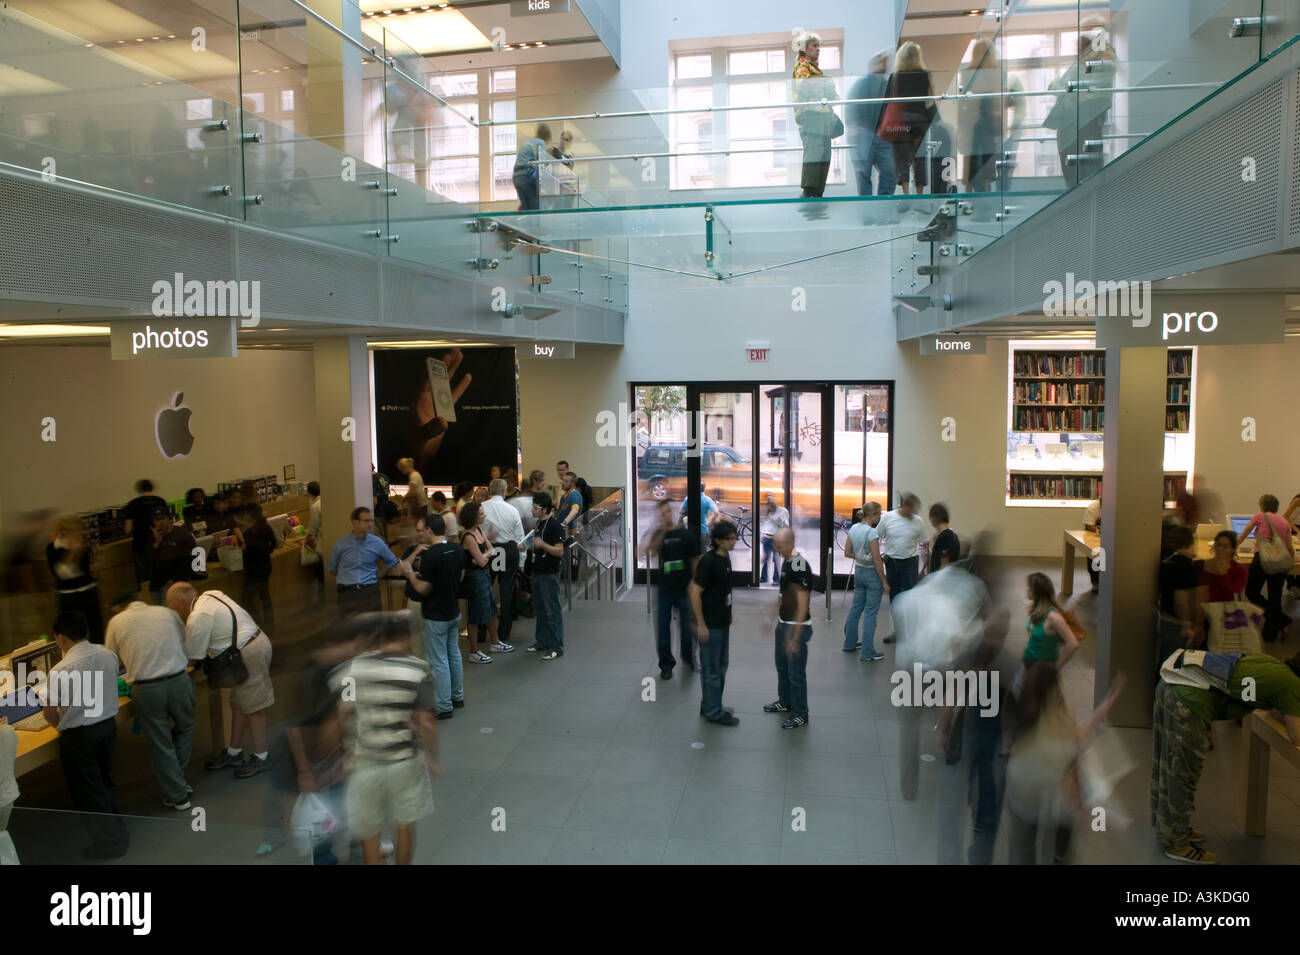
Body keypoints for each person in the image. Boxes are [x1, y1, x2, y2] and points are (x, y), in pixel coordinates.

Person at [1152, 652, 1300, 863]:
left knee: (1167, 764)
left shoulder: (1276, 667)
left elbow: (1279, 708)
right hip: (1189, 700)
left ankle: (1171, 828)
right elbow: (1297, 736)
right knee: (1183, 773)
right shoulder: (1293, 685)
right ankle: (1177, 844)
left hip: (1172, 683)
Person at [330, 613, 440, 865]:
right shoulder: (417, 669)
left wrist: (341, 754)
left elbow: (342, 714)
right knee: (404, 825)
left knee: (370, 833)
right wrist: (432, 757)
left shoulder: (355, 667)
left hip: (364, 761)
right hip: (404, 761)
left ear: (380, 637)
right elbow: (425, 722)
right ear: (408, 636)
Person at [41, 611, 129, 859]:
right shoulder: (108, 655)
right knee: (105, 780)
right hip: (107, 728)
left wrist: (61, 727)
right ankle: (117, 829)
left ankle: (110, 844)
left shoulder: (60, 670)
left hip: (79, 736)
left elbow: (48, 711)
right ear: (87, 632)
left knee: (88, 792)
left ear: (60, 639)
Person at [169, 583, 275, 778]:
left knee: (253, 707)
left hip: (247, 654)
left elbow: (193, 655)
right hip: (254, 645)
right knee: (237, 703)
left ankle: (262, 756)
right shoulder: (211, 595)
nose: (173, 611)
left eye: (171, 606)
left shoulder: (198, 616)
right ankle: (234, 752)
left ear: (179, 602)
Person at [103, 592, 194, 811]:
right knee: (186, 728)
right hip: (180, 680)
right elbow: (184, 639)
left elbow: (109, 659)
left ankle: (178, 795)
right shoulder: (167, 612)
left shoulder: (116, 621)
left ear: (117, 608)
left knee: (161, 743)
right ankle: (177, 781)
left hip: (147, 689)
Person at [396, 514, 466, 718]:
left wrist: (410, 573)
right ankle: (457, 696)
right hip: (453, 610)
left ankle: (443, 705)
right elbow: (460, 577)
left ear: (428, 530)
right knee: (453, 654)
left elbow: (423, 589)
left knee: (438, 661)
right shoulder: (457, 550)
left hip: (435, 614)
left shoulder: (431, 555)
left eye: (422, 530)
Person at [1046, 15, 1116, 188]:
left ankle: (1090, 198)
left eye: (1087, 31)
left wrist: (1063, 85)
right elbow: (1063, 84)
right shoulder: (1085, 57)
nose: (1082, 35)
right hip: (1075, 115)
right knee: (1075, 157)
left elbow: (1097, 75)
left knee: (1087, 157)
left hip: (1087, 111)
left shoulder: (1102, 54)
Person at [957, 37, 1022, 196]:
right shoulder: (999, 73)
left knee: (971, 163)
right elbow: (1000, 102)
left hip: (970, 125)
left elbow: (963, 104)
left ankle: (971, 197)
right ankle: (987, 197)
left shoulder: (967, 74)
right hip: (994, 125)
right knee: (988, 163)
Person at [689, 521, 738, 725]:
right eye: (730, 539)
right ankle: (713, 711)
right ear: (718, 540)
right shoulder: (709, 562)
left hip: (722, 622)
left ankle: (711, 704)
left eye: (735, 537)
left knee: (720, 667)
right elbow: (694, 592)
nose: (734, 541)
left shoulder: (725, 559)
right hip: (711, 625)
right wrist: (701, 624)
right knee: (712, 669)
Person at [645, 499, 700, 680]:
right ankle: (666, 664)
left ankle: (688, 657)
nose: (666, 515)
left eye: (668, 511)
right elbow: (649, 551)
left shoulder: (686, 534)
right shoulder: (658, 535)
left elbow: (695, 562)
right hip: (664, 591)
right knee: (662, 630)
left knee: (686, 628)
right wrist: (659, 531)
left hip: (684, 590)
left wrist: (697, 587)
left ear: (674, 512)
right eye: (662, 512)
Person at [765, 528, 813, 728]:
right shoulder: (787, 562)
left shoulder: (799, 566)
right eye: (775, 546)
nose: (776, 550)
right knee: (782, 667)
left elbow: (802, 606)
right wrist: (772, 618)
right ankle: (785, 701)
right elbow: (783, 595)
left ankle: (801, 713)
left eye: (780, 546)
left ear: (791, 542)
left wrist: (795, 637)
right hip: (783, 624)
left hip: (796, 627)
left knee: (796, 673)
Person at [791, 30, 840, 200]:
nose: (818, 49)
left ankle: (816, 193)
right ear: (805, 49)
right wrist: (825, 86)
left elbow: (833, 95)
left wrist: (826, 87)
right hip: (811, 115)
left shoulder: (816, 71)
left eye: (819, 46)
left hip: (823, 117)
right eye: (814, 46)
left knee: (824, 154)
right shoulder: (802, 67)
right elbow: (805, 87)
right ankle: (809, 193)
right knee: (815, 152)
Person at [1239, 494, 1295, 642]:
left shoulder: (1259, 516)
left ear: (1262, 506)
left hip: (1262, 559)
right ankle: (1271, 634)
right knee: (1275, 598)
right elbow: (1289, 547)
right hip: (1280, 563)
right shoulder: (1284, 522)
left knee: (1251, 592)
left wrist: (1233, 548)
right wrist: (1291, 561)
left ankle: (1283, 621)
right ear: (1276, 507)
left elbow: (1244, 534)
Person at [459, 501, 510, 662]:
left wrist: (484, 556)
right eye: (481, 514)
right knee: (475, 614)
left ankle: (495, 642)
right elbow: (482, 560)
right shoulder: (468, 536)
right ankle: (473, 651)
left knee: (491, 609)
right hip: (475, 578)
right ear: (473, 517)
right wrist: (484, 556)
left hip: (484, 575)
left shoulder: (478, 531)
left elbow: (491, 550)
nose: (484, 516)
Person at [884, 42, 934, 201]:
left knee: (901, 157)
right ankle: (919, 195)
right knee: (919, 158)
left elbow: (887, 100)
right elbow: (930, 99)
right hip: (920, 121)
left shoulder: (896, 76)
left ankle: (906, 193)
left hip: (901, 122)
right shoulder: (925, 74)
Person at [327, 507, 399, 617]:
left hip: (370, 590)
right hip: (347, 592)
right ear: (355, 523)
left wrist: (379, 575)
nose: (370, 524)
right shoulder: (340, 544)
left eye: (371, 521)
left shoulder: (377, 542)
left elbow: (392, 561)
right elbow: (332, 568)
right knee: (350, 627)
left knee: (372, 626)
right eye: (366, 521)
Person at [848, 50, 896, 204]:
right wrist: (854, 129)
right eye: (881, 62)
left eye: (886, 62)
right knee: (864, 175)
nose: (885, 65)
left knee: (889, 174)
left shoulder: (887, 85)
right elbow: (852, 109)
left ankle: (882, 209)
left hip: (884, 135)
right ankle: (868, 212)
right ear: (874, 65)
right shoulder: (862, 84)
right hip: (865, 134)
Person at [482, 478, 526, 648]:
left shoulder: (482, 508)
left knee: (485, 589)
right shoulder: (512, 510)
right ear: (505, 491)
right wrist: (522, 561)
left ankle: (481, 629)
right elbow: (520, 538)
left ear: (489, 490)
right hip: (508, 551)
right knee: (507, 591)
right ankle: (504, 632)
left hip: (490, 551)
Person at [877, 492, 926, 642]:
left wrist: (925, 567)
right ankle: (897, 632)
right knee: (895, 599)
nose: (912, 513)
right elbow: (876, 535)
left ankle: (911, 634)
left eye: (914, 510)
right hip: (892, 562)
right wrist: (877, 555)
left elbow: (924, 543)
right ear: (903, 505)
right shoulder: (888, 518)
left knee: (910, 599)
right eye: (910, 509)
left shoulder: (918, 521)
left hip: (910, 562)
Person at [46, 516, 103, 643]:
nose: (79, 535)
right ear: (66, 532)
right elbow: (62, 572)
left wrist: (94, 568)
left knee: (95, 631)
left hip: (88, 592)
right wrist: (74, 552)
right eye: (76, 532)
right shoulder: (53, 549)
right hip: (68, 597)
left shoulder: (84, 546)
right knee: (73, 633)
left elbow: (87, 571)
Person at [843, 502, 888, 661]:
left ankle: (849, 643)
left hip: (859, 572)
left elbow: (847, 552)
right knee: (870, 613)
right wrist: (884, 581)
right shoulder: (872, 533)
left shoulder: (854, 528)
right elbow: (877, 560)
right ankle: (867, 653)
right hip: (871, 575)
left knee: (856, 608)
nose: (880, 517)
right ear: (873, 515)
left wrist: (861, 557)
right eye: (879, 514)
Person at [1019, 573, 1080, 685]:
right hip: (1029, 663)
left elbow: (1073, 644)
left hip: (1042, 669)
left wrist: (1055, 668)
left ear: (1036, 592)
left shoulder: (1053, 617)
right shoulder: (1036, 610)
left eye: (1029, 587)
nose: (1026, 589)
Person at [1158, 525, 1203, 666]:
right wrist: (1187, 625)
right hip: (1177, 625)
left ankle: (1158, 686)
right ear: (1191, 543)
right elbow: (1181, 601)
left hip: (1164, 618)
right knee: (1174, 663)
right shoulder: (1186, 567)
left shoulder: (1166, 562)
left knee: (1165, 659)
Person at [529, 492, 566, 660]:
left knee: (552, 610)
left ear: (544, 509)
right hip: (537, 572)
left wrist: (542, 544)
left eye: (535, 507)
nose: (532, 509)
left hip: (548, 574)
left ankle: (556, 646)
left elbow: (559, 551)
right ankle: (542, 641)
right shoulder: (539, 523)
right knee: (540, 609)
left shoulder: (554, 525)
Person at [123, 479, 167, 590]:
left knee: (144, 578)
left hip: (140, 545)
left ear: (139, 489)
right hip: (161, 542)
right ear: (152, 487)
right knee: (161, 573)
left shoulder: (132, 505)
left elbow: (128, 529)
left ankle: (148, 601)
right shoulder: (160, 501)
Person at [147, 508, 197, 606]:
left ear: (169, 519)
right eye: (157, 520)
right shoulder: (153, 537)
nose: (160, 522)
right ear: (153, 522)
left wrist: (177, 580)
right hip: (155, 584)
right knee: (159, 615)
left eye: (162, 518)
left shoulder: (182, 534)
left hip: (173, 583)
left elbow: (192, 557)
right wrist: (157, 542)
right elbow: (148, 562)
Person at [241, 504, 277, 636]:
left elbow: (249, 552)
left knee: (247, 598)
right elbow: (274, 543)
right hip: (265, 565)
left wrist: (244, 550)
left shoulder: (250, 532)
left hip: (254, 569)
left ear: (249, 515)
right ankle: (269, 624)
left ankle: (257, 623)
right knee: (265, 596)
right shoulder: (266, 526)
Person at [1197, 530, 1248, 603]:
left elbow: (1232, 595)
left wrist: (1223, 574)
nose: (1220, 549)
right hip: (1201, 609)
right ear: (1214, 545)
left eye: (1225, 546)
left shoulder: (1240, 571)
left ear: (1232, 550)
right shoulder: (1199, 565)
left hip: (1225, 611)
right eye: (1218, 545)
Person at [512, 123, 552, 211]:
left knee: (526, 208)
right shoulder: (540, 142)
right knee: (535, 208)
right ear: (547, 135)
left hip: (516, 177)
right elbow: (541, 162)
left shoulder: (529, 142)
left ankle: (526, 225)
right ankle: (535, 225)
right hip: (526, 176)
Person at [758, 492, 791, 584]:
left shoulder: (783, 511)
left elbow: (785, 525)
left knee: (776, 560)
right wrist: (763, 535)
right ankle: (764, 578)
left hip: (776, 538)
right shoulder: (768, 511)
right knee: (765, 559)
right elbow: (766, 525)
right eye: (767, 500)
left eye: (770, 498)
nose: (769, 501)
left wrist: (774, 518)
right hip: (766, 537)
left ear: (775, 499)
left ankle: (776, 579)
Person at [543, 129, 580, 209]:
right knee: (559, 208)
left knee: (568, 209)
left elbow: (571, 171)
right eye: (562, 138)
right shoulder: (553, 150)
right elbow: (542, 165)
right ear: (560, 138)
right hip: (558, 186)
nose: (564, 141)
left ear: (570, 141)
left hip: (570, 186)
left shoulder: (570, 155)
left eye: (567, 139)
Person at [680, 481, 720, 549]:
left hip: (690, 531)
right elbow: (716, 513)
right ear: (704, 488)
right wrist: (708, 523)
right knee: (703, 552)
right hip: (703, 531)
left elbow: (681, 511)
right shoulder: (708, 500)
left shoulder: (688, 498)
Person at [304, 480, 324, 602]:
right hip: (326, 540)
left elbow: (313, 526)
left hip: (321, 542)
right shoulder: (325, 501)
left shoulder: (315, 506)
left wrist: (307, 539)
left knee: (320, 571)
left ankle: (321, 597)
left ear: (310, 493)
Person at [926, 503, 959, 574]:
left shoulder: (944, 537)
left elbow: (944, 565)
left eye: (930, 517)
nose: (930, 520)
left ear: (935, 518)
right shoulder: (953, 535)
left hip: (941, 579)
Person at [397, 457, 428, 521]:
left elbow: (412, 492)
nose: (401, 472)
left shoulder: (413, 476)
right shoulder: (415, 474)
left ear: (405, 467)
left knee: (420, 526)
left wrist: (403, 500)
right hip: (421, 505)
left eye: (401, 470)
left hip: (420, 505)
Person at [1083, 491, 1102, 593]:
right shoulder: (1093, 508)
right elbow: (1089, 525)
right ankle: (1096, 581)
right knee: (1095, 554)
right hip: (1093, 536)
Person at [372, 464, 393, 540]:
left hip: (378, 510)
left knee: (379, 533)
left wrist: (372, 511)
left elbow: (374, 500)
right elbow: (388, 491)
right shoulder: (384, 476)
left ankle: (382, 548)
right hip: (386, 508)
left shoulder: (372, 479)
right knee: (385, 530)